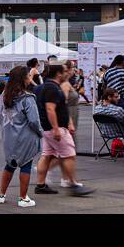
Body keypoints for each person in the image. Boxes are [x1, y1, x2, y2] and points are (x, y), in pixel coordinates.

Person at [34, 63, 92, 196]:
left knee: (47, 155)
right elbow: (50, 108)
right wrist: (56, 129)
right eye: (65, 71)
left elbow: (58, 107)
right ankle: (73, 184)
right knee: (69, 154)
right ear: (59, 73)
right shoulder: (52, 88)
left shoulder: (42, 87)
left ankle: (41, 184)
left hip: (47, 127)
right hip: (55, 128)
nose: (67, 73)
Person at [0, 66, 41, 208]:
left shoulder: (4, 95)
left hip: (8, 135)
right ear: (23, 79)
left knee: (10, 164)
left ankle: (1, 194)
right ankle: (23, 198)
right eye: (28, 76)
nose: (30, 78)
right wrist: (40, 132)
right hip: (25, 136)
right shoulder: (28, 98)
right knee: (26, 164)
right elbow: (34, 121)